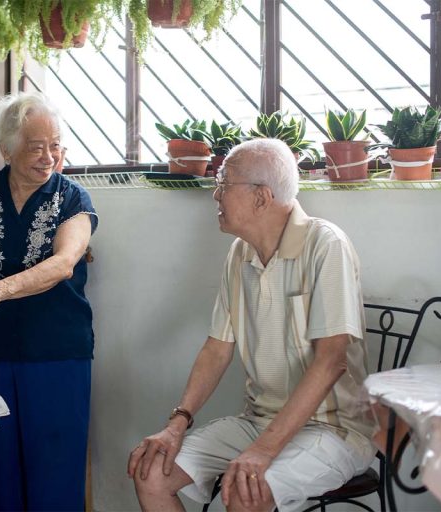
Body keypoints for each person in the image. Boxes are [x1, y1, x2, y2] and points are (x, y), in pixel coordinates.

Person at [127, 138, 375, 512]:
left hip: (333, 430)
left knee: (246, 491)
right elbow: (217, 348)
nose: (215, 195)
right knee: (152, 473)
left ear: (261, 196)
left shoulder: (326, 244)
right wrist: (177, 423)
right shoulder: (239, 254)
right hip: (258, 420)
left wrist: (262, 451)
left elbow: (331, 361)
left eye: (224, 183)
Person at [0, 91, 98, 511]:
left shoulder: (72, 199)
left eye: (56, 145)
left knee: (55, 469)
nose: (49, 156)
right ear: (8, 149)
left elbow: (65, 263)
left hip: (56, 352)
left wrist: (1, 288)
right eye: (36, 147)